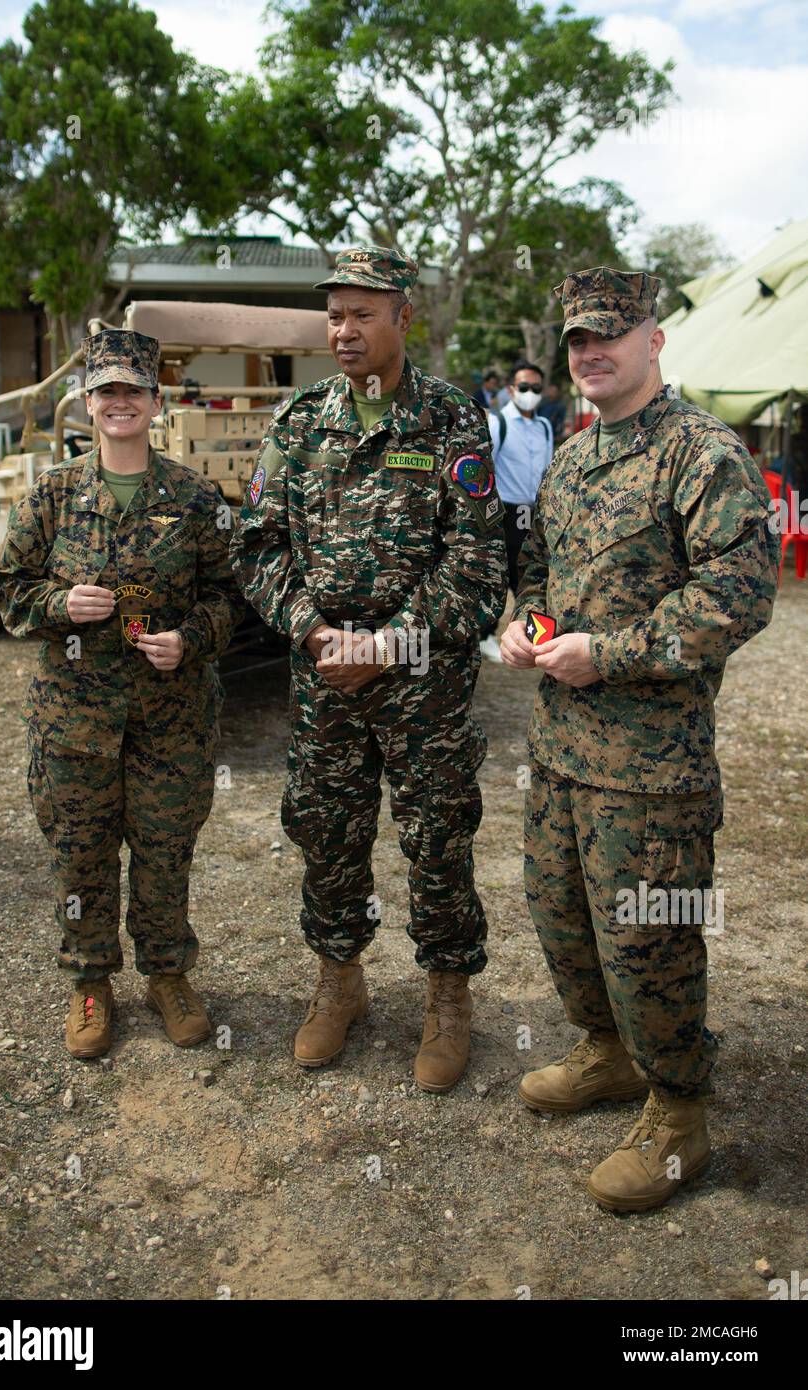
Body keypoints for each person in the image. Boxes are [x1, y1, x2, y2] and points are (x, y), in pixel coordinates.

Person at [500, 267, 779, 1212]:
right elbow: (537, 567)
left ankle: (679, 1114)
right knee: (562, 920)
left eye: (609, 335)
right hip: (560, 750)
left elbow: (740, 591)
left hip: (650, 772)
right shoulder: (574, 458)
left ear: (654, 340)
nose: (589, 354)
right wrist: (525, 624)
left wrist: (609, 654)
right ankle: (608, 1055)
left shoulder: (703, 454)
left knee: (648, 940)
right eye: (577, 339)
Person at [230, 245, 507, 1093]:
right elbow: (256, 543)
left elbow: (479, 565)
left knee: (436, 835)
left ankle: (448, 999)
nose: (344, 331)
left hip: (422, 685)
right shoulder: (299, 420)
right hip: (324, 682)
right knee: (327, 832)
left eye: (362, 314)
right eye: (335, 314)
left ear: (402, 318)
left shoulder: (453, 422)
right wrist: (314, 632)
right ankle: (338, 983)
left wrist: (387, 644)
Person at [0, 330, 243, 1059]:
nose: (120, 402)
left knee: (165, 851)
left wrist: (189, 639)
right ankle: (90, 981)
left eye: (134, 389)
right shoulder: (54, 493)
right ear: (88, 404)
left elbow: (232, 598)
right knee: (82, 852)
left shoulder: (195, 499)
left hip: (172, 718)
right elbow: (7, 590)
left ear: (156, 403)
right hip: (76, 719)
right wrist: (59, 607)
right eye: (106, 391)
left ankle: (168, 974)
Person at [478, 359, 554, 664]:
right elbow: (483, 469)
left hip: (535, 512)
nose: (529, 393)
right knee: (503, 576)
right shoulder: (499, 423)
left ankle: (538, 637)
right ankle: (486, 636)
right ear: (511, 389)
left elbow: (547, 469)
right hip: (507, 512)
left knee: (536, 576)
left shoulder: (545, 426)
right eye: (524, 387)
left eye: (535, 388)